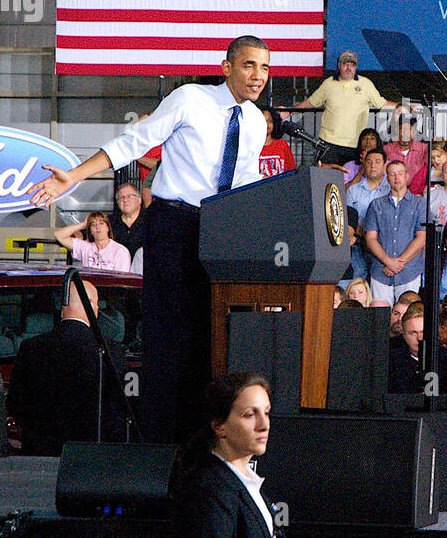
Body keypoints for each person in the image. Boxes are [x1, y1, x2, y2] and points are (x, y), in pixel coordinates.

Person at [29, 35, 269, 443]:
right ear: (227, 67)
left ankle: (203, 444)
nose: (258, 76)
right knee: (170, 343)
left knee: (208, 343)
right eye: (249, 65)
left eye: (264, 68)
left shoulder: (256, 123)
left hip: (219, 232)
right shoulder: (190, 98)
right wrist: (75, 175)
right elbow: (133, 143)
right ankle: (162, 447)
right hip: (174, 227)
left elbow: (245, 183)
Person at [174, 373, 288, 538]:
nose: (264, 425)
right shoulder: (211, 491)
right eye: (250, 415)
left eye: (266, 412)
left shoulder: (244, 485)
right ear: (219, 426)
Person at [7, 280, 127, 455]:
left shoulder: (31, 348)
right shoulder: (109, 351)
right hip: (90, 453)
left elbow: (15, 403)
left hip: (40, 453)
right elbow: (118, 408)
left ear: (63, 307)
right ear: (92, 305)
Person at [286, 50, 394, 167]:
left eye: (352, 64)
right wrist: (289, 112)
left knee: (352, 180)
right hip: (328, 143)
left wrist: (401, 107)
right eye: (345, 64)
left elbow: (381, 103)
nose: (348, 67)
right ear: (339, 65)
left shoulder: (366, 84)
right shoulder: (328, 84)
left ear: (356, 67)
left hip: (355, 145)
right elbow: (311, 102)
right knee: (326, 180)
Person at [364, 160, 427, 304]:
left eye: (400, 174)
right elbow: (370, 238)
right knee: (380, 316)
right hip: (381, 270)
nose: (396, 178)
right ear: (387, 177)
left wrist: (398, 263)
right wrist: (388, 262)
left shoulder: (420, 203)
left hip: (409, 271)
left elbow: (422, 238)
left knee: (407, 313)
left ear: (407, 176)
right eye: (392, 174)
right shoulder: (376, 205)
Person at [345, 147, 390, 285]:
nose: (372, 165)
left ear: (384, 165)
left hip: (383, 244)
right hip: (357, 242)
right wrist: (364, 235)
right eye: (369, 162)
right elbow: (349, 217)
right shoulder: (353, 189)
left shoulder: (390, 189)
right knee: (357, 279)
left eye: (377, 162)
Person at [54, 212, 132, 272]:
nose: (97, 227)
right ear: (90, 230)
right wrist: (82, 225)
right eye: (93, 225)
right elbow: (58, 235)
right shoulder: (85, 246)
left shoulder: (120, 251)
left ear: (108, 227)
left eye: (101, 223)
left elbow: (123, 280)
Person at [382, 109, 429, 195]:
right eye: (402, 129)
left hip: (418, 194)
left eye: (409, 129)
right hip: (391, 193)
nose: (405, 133)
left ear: (414, 132)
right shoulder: (386, 150)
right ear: (396, 130)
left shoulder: (425, 149)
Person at [388, 304, 426, 393]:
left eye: (423, 332)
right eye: (413, 333)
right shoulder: (391, 363)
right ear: (404, 335)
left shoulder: (446, 361)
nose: (419, 338)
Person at [108, 182, 146, 259]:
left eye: (130, 196)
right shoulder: (109, 221)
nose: (125, 200)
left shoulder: (151, 219)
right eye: (121, 197)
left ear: (139, 200)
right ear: (117, 202)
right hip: (117, 268)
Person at [258, 108, 296, 178]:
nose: (267, 124)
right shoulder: (250, 147)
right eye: (263, 121)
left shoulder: (282, 145)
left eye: (270, 121)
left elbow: (291, 170)